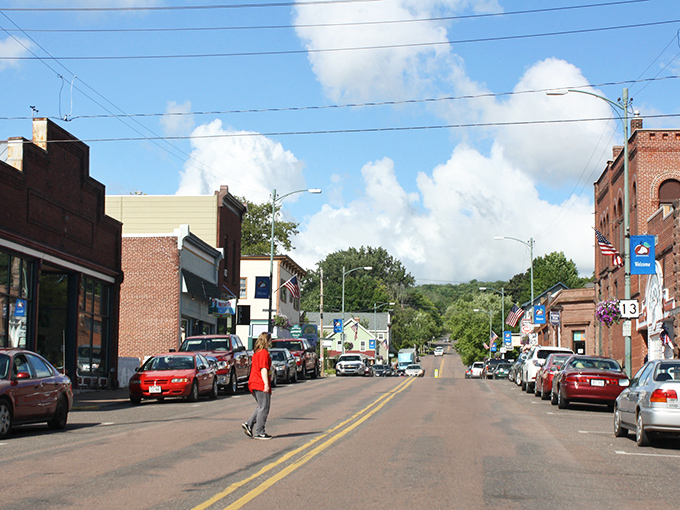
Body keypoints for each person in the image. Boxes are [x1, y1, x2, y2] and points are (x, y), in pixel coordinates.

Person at [243, 332, 273, 440]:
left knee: (261, 406)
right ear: (266, 341)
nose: (271, 342)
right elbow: (263, 369)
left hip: (253, 382)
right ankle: (259, 432)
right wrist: (266, 384)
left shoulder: (257, 353)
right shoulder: (264, 353)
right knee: (264, 407)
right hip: (259, 382)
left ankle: (249, 424)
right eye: (270, 340)